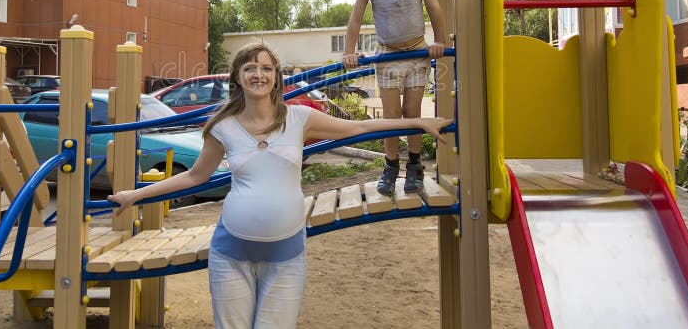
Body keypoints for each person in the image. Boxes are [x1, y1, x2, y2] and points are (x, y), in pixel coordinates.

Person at [108, 42, 451, 329]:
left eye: (266, 68)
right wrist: (134, 195)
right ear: (238, 78)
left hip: (286, 255)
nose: (258, 74)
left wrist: (419, 120)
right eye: (249, 68)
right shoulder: (223, 126)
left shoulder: (299, 119)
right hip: (231, 254)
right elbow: (195, 176)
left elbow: (360, 128)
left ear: (276, 78)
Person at [343, 0, 447, 197]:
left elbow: (435, 8)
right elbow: (355, 20)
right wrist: (349, 51)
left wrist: (439, 40)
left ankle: (414, 165)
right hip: (387, 56)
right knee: (391, 117)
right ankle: (390, 165)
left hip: (416, 54)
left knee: (412, 114)